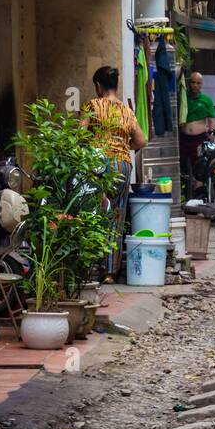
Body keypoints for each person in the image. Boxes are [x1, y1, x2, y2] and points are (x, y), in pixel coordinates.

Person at [82, 66, 147, 282]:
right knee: (116, 215)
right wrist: (122, 144)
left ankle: (90, 267)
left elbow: (79, 134)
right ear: (116, 85)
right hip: (121, 164)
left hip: (97, 163)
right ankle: (110, 272)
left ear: (99, 86)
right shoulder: (127, 111)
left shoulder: (92, 106)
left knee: (93, 211)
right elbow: (141, 141)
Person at [180, 71, 215, 188]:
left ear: (202, 84)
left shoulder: (207, 100)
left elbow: (211, 120)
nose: (195, 85)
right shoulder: (183, 99)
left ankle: (199, 192)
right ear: (189, 83)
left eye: (198, 83)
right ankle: (185, 192)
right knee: (182, 165)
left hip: (199, 139)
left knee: (200, 166)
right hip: (184, 139)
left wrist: (212, 135)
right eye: (193, 82)